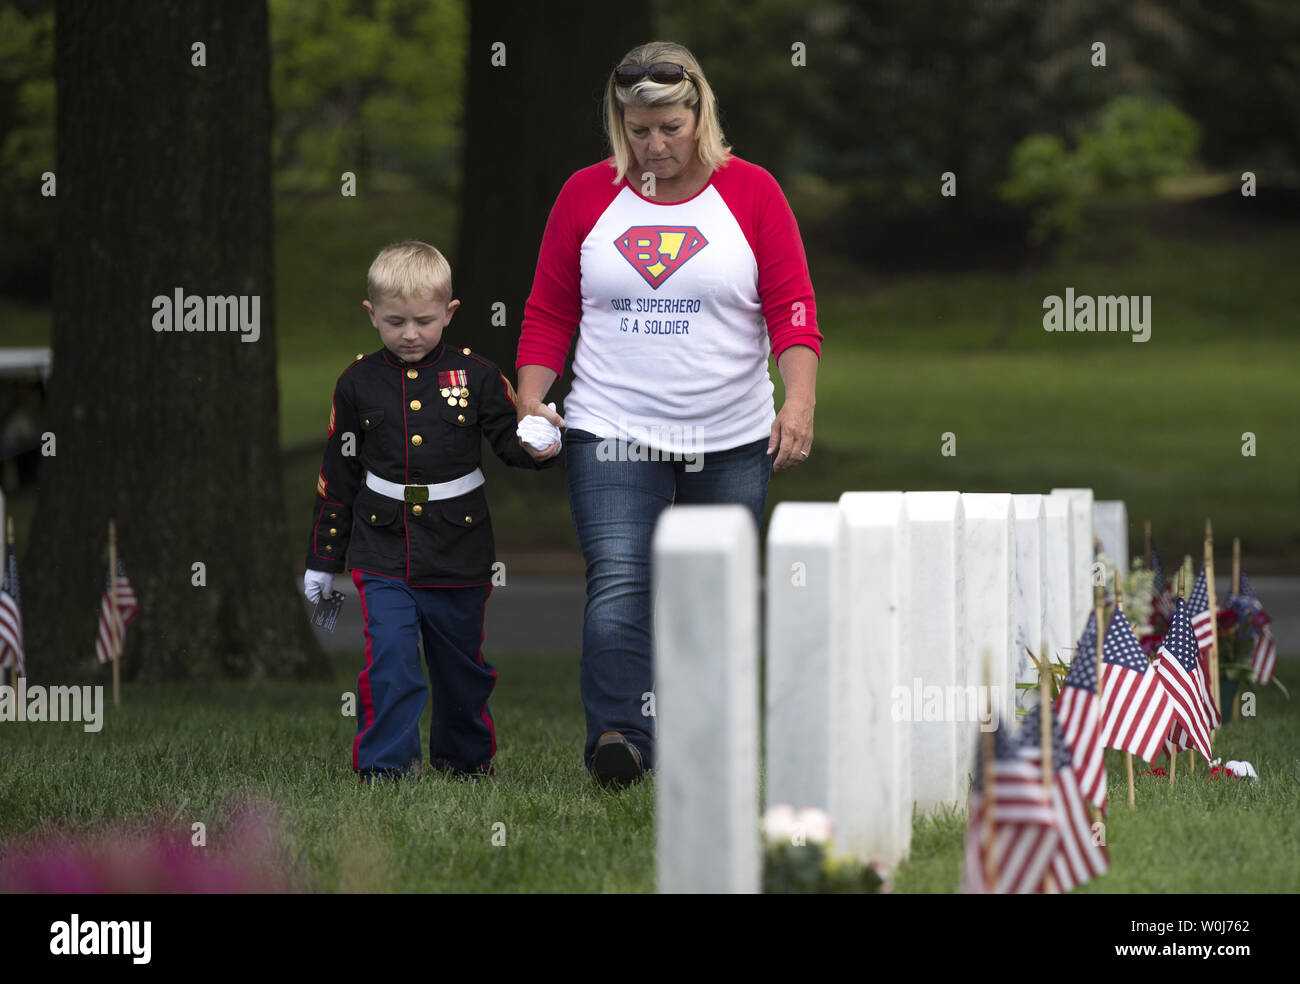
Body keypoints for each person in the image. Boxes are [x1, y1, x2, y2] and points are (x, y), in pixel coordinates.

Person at [514, 42, 823, 787]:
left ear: (700, 115)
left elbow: (793, 311)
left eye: (670, 127)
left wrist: (801, 400)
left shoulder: (751, 193)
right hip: (612, 426)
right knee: (620, 576)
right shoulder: (586, 195)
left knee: (708, 590)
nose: (655, 144)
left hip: (729, 435)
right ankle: (621, 738)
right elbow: (550, 310)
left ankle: (701, 741)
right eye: (639, 129)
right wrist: (531, 394)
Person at [303, 241, 558, 783]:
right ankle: (385, 767)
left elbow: (511, 445)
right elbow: (338, 476)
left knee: (461, 667)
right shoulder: (356, 384)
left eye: (424, 320)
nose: (410, 334)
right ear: (372, 315)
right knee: (391, 660)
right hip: (382, 547)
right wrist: (323, 560)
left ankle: (465, 762)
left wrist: (543, 445)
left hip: (459, 548)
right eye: (394, 322)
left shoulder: (479, 376)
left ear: (450, 312)